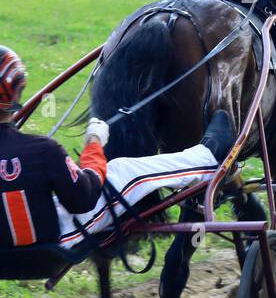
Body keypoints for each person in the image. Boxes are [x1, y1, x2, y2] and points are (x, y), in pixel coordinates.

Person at [0, 45, 235, 251]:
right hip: (52, 240)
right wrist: (94, 143)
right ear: (18, 91)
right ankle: (207, 159)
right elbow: (84, 197)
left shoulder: (40, 151)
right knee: (124, 170)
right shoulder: (44, 151)